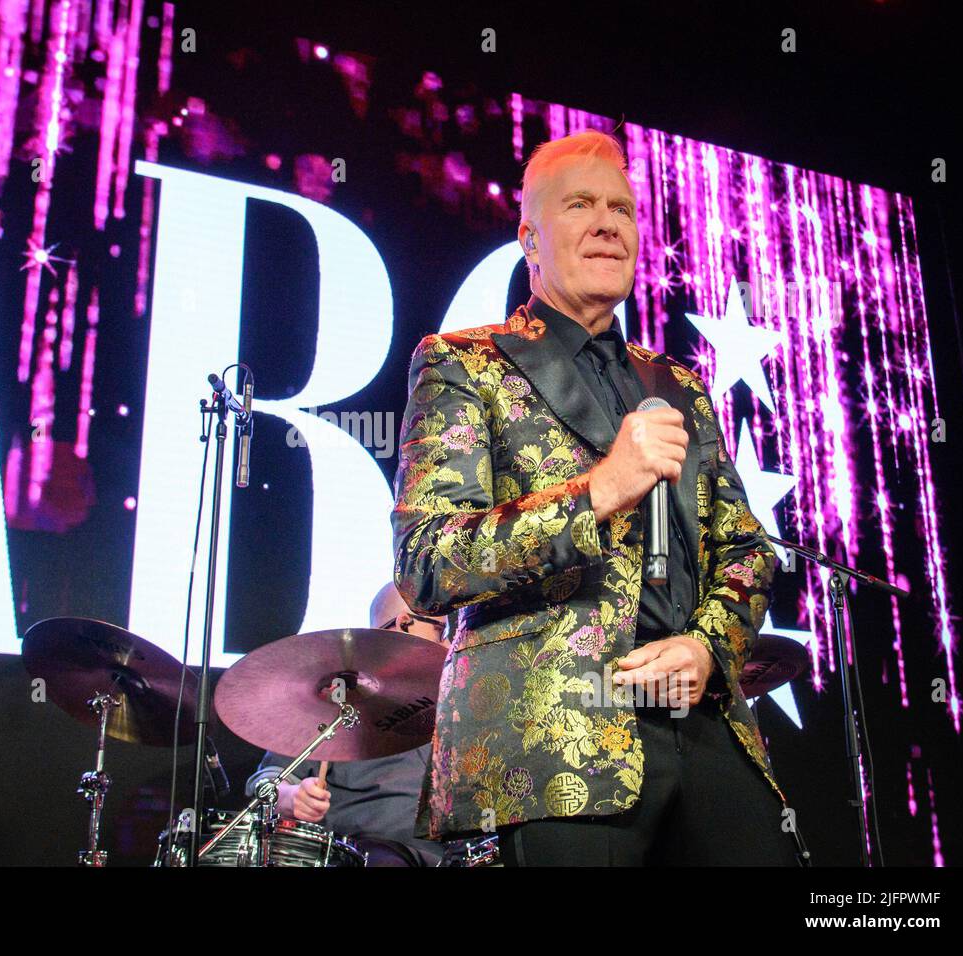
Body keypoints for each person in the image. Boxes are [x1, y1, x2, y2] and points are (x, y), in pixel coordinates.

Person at [391, 130, 802, 866]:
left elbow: (745, 549)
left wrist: (706, 649)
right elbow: (427, 563)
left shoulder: (678, 383)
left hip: (701, 717)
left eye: (623, 208)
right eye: (579, 204)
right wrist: (599, 491)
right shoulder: (462, 364)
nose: (609, 222)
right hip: (556, 741)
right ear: (530, 239)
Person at [245, 583, 447, 866]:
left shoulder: (454, 702)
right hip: (374, 853)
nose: (450, 643)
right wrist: (291, 797)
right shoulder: (337, 701)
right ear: (405, 624)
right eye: (442, 630)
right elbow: (266, 781)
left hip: (455, 853)